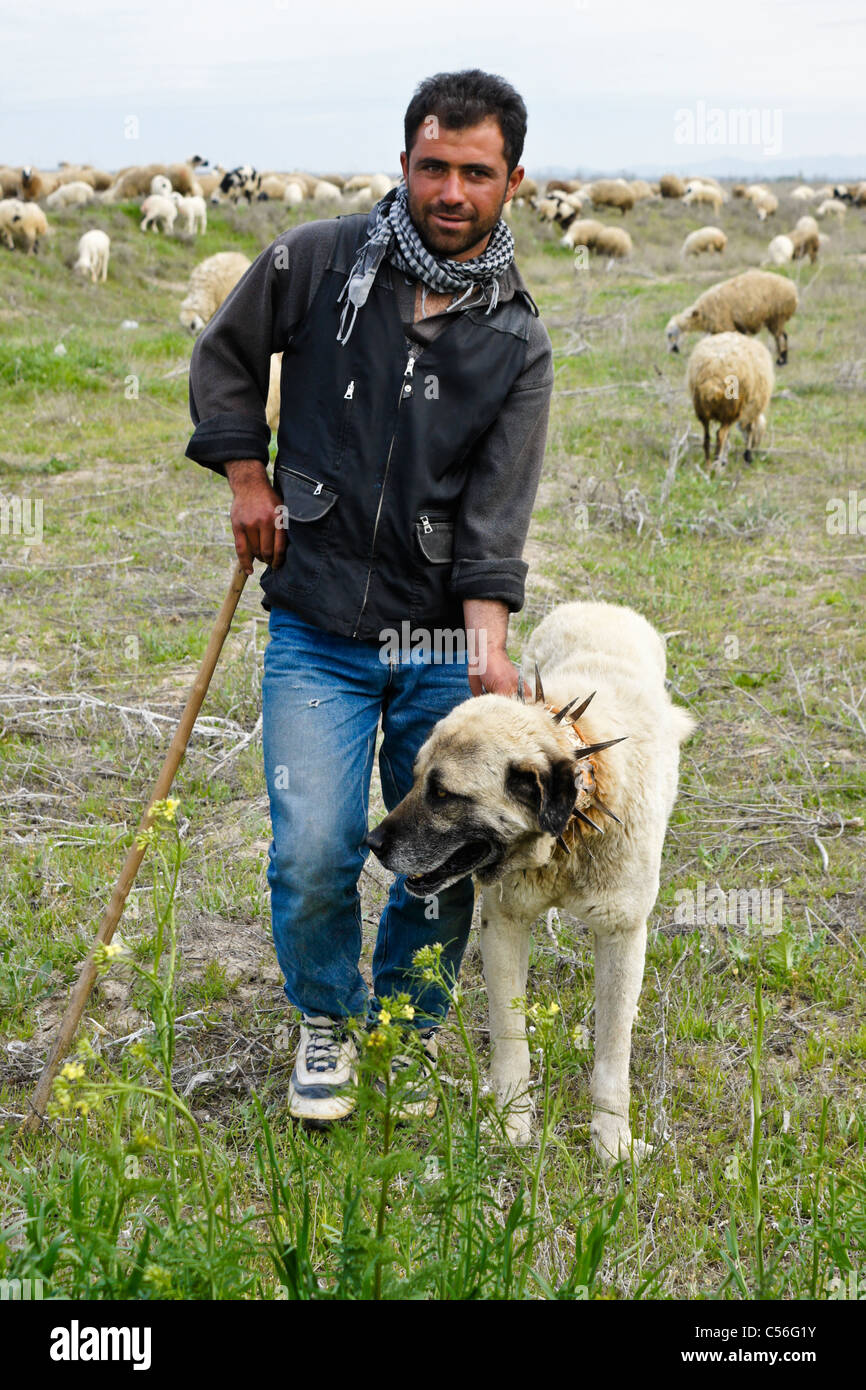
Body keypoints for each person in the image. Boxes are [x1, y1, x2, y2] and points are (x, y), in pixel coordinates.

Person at [185, 69, 554, 1125]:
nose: (449, 189)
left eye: (473, 172)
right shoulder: (313, 261)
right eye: (432, 166)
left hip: (437, 637)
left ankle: (406, 1019)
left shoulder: (516, 343)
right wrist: (247, 478)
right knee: (311, 848)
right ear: (403, 162)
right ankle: (326, 1019)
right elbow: (223, 357)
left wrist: (487, 648)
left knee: (440, 844)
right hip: (314, 625)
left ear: (511, 181)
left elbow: (495, 511)